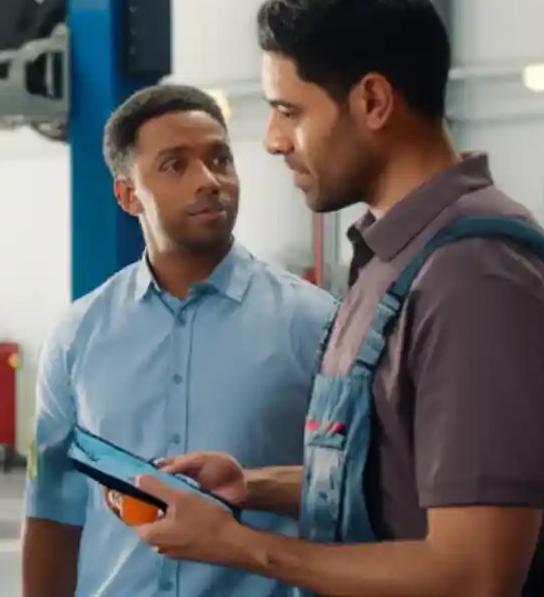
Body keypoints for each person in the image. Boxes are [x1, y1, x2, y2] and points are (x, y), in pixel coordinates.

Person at [126, 0, 544, 597]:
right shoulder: (397, 258)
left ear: (372, 100)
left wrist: (239, 545)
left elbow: (474, 575)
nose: (272, 141)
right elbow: (397, 483)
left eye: (289, 111)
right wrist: (250, 486)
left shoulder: (478, 281)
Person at [21, 83, 337, 597]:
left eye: (220, 160)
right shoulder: (78, 334)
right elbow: (52, 508)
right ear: (127, 195)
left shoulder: (315, 323)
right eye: (176, 165)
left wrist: (258, 487)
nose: (210, 181)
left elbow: (356, 488)